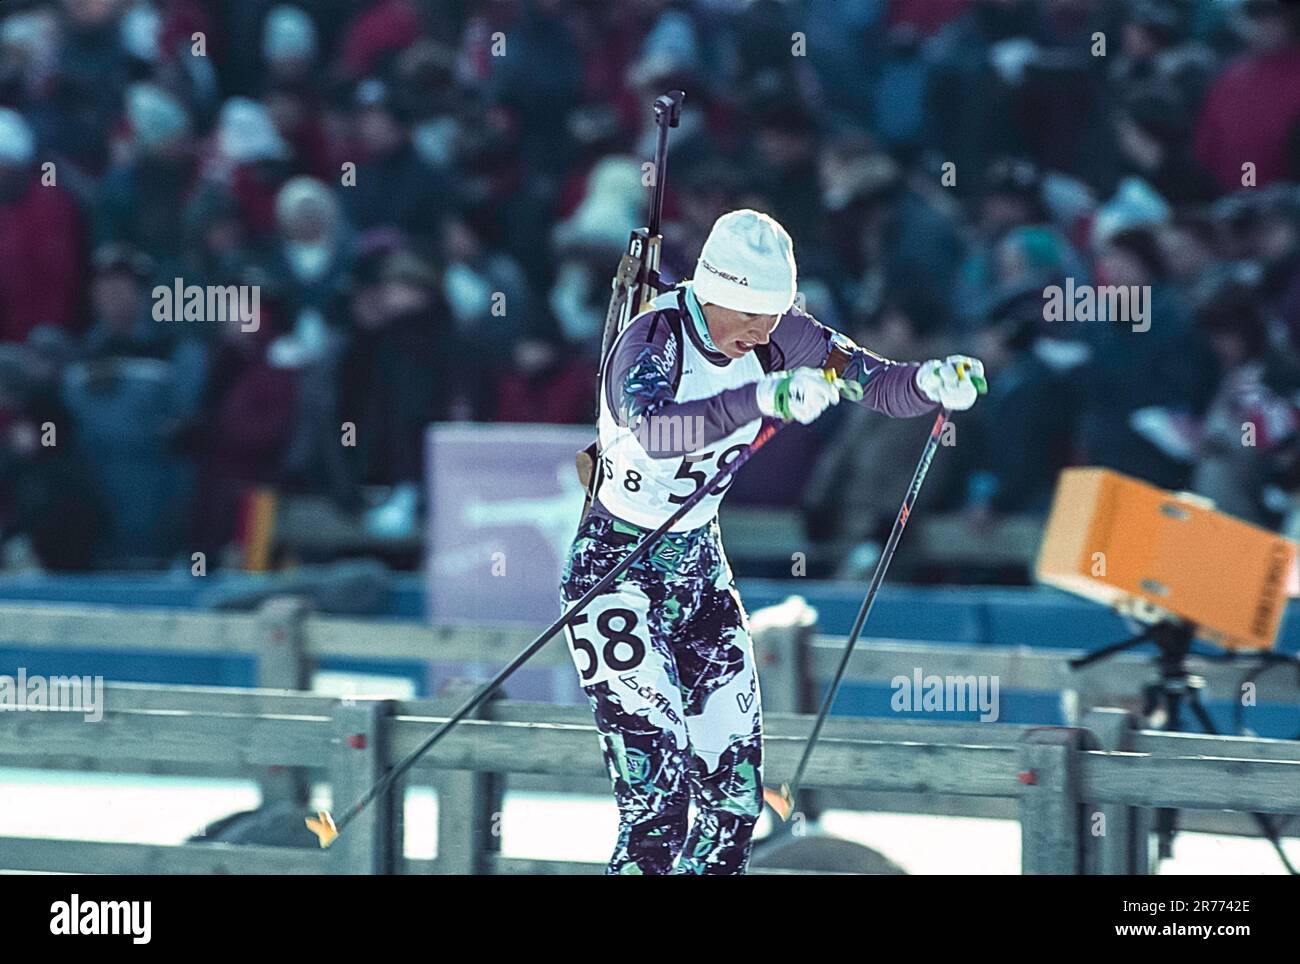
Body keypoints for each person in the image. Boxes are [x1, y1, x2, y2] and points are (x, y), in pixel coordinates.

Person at [558, 209, 985, 875]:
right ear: (709, 294)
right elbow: (656, 432)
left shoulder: (785, 335)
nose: (760, 332)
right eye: (747, 315)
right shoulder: (655, 337)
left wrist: (931, 382)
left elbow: (873, 380)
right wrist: (763, 398)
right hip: (617, 568)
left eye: (772, 316)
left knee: (733, 802)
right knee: (659, 799)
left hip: (699, 571)